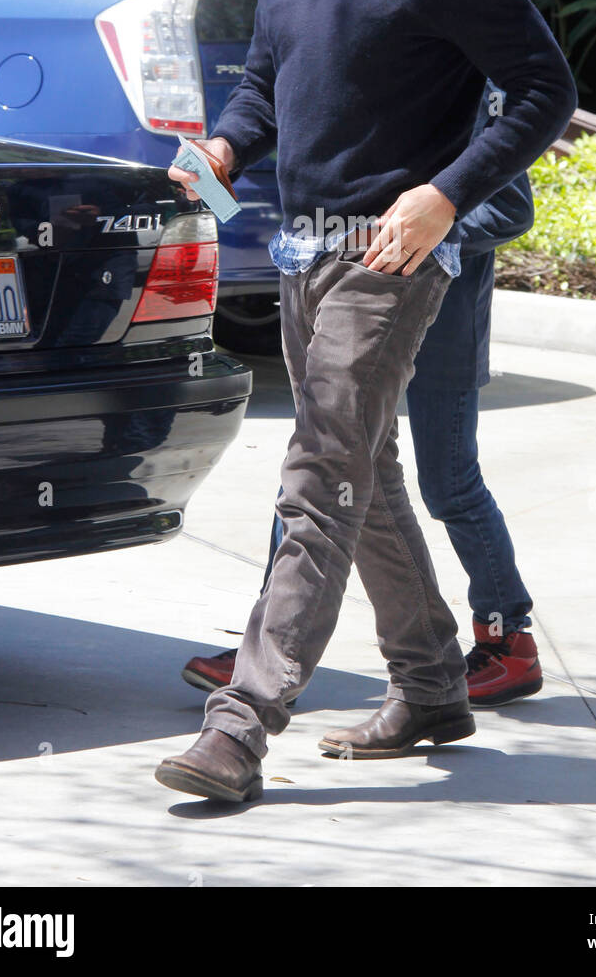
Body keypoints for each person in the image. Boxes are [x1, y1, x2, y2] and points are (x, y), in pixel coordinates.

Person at [155, 0, 577, 805]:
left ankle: (239, 725)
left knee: (317, 478)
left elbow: (544, 92)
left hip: (391, 259)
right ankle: (434, 683)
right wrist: (224, 145)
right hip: (301, 252)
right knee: (365, 471)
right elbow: (264, 81)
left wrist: (443, 197)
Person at [181, 91, 543, 710]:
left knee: (449, 483)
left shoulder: (474, 84)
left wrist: (422, 227)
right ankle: (264, 648)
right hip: (363, 316)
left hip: (443, 330)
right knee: (321, 469)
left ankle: (508, 639)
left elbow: (511, 207)